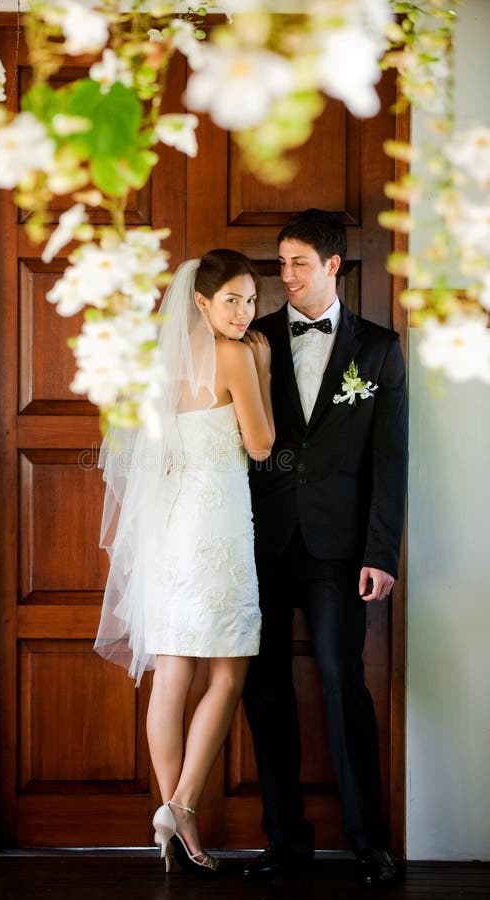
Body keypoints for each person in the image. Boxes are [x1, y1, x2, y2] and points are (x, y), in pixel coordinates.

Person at [95, 249, 274, 876]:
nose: (245, 312)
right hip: (217, 525)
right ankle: (182, 805)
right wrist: (264, 369)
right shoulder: (236, 355)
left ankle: (173, 819)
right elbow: (262, 445)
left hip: (171, 530)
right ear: (201, 302)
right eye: (232, 300)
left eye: (252, 300)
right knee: (228, 671)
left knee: (172, 675)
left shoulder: (161, 362)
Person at [242, 209, 408, 888]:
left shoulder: (379, 348)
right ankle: (284, 840)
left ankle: (368, 841)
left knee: (343, 681)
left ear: (333, 265)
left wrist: (382, 553)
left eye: (299, 264)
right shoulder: (252, 338)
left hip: (340, 549)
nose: (286, 275)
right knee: (264, 688)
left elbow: (390, 459)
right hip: (259, 542)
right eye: (281, 263)